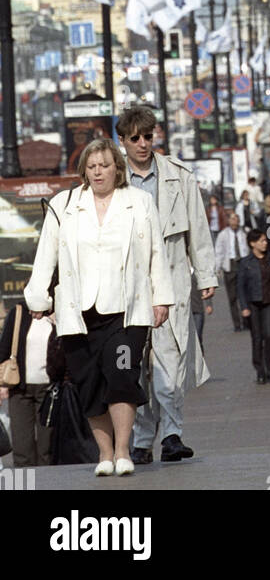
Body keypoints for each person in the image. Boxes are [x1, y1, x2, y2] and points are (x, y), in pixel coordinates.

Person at [23, 137, 174, 477]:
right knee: (88, 382)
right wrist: (38, 298)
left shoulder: (139, 202)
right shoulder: (64, 205)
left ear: (116, 169)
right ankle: (104, 454)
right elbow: (46, 254)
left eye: (104, 165)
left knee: (121, 375)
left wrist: (160, 297)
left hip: (126, 312)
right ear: (84, 171)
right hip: (78, 312)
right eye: (91, 167)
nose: (97, 172)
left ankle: (123, 450)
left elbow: (155, 253)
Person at [116, 104, 217, 466]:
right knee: (135, 365)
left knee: (170, 359)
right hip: (128, 287)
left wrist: (205, 274)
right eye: (135, 138)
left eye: (148, 136)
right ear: (123, 141)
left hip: (171, 281)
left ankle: (172, 434)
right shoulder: (113, 177)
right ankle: (142, 439)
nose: (143, 144)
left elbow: (198, 226)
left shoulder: (178, 175)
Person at [0, 301, 56, 467]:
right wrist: (2, 385)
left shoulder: (58, 313)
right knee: (22, 447)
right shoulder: (19, 312)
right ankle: (26, 484)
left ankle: (49, 483)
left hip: (50, 390)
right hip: (19, 389)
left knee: (47, 447)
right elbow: (4, 348)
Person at [237, 230, 270, 384]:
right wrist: (244, 307)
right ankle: (260, 371)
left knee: (269, 336)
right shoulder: (245, 263)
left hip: (269, 301)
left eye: (265, 240)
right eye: (262, 241)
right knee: (257, 338)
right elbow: (240, 287)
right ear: (252, 244)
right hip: (253, 303)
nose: (265, 243)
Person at [215, 211, 249, 331]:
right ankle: (237, 324)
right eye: (233, 219)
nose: (235, 221)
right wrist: (217, 268)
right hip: (230, 266)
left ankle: (246, 321)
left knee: (244, 295)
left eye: (237, 219)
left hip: (242, 264)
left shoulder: (243, 232)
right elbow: (219, 252)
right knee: (233, 297)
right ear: (229, 221)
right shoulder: (223, 235)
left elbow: (248, 248)